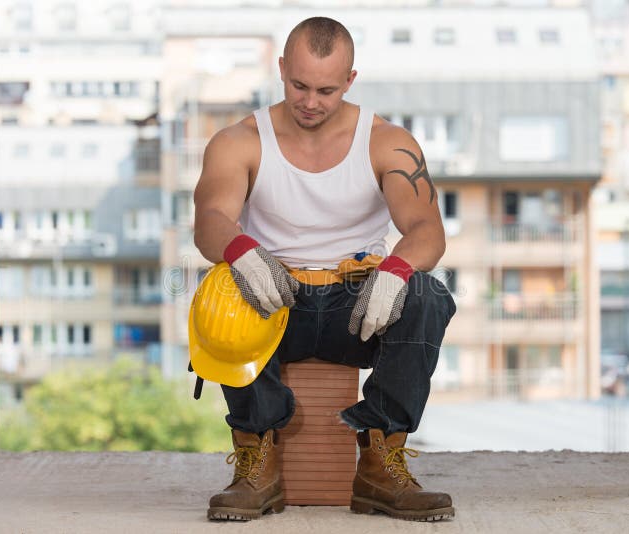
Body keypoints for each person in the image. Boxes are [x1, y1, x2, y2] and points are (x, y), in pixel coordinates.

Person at [193, 16, 457, 522]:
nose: (310, 101)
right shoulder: (239, 140)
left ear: (350, 81)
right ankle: (258, 460)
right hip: (272, 298)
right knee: (218, 288)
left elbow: (428, 229)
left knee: (427, 294)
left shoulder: (387, 142)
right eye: (298, 85)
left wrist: (397, 270)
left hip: (359, 304)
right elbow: (209, 223)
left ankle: (381, 461)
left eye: (327, 90)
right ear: (281, 69)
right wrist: (242, 249)